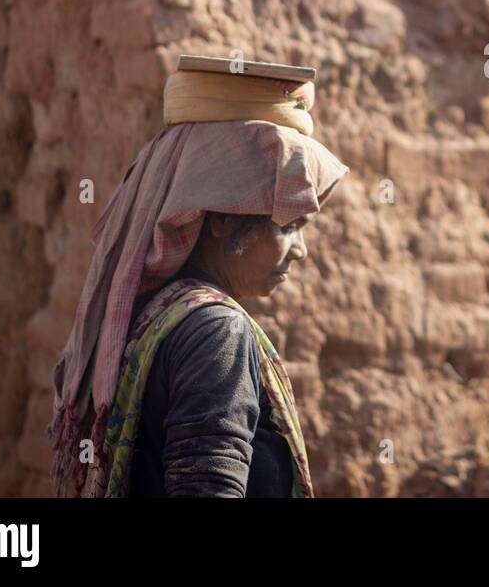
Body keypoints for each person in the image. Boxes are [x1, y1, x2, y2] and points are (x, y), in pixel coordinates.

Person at [49, 65, 348, 497]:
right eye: (288, 225)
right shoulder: (216, 333)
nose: (300, 249)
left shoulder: (153, 317)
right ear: (224, 218)